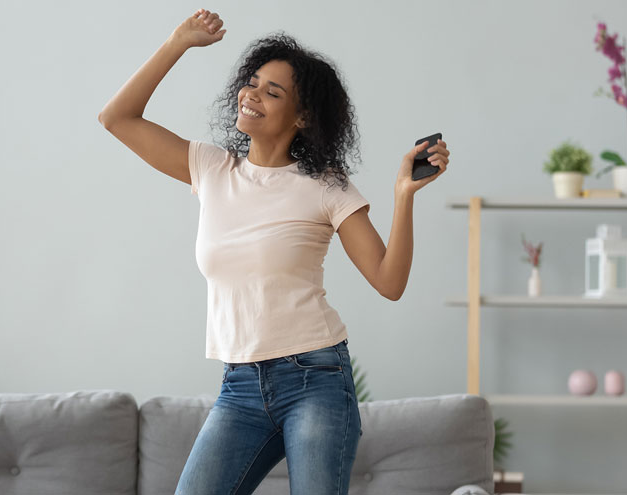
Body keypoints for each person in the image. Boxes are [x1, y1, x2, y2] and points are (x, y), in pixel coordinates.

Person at [98, 8, 450, 494]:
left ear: (302, 116)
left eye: (273, 91)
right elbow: (116, 118)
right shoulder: (211, 168)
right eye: (253, 82)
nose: (252, 93)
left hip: (316, 381)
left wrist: (403, 196)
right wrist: (177, 42)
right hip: (239, 387)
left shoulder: (326, 187)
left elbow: (389, 281)